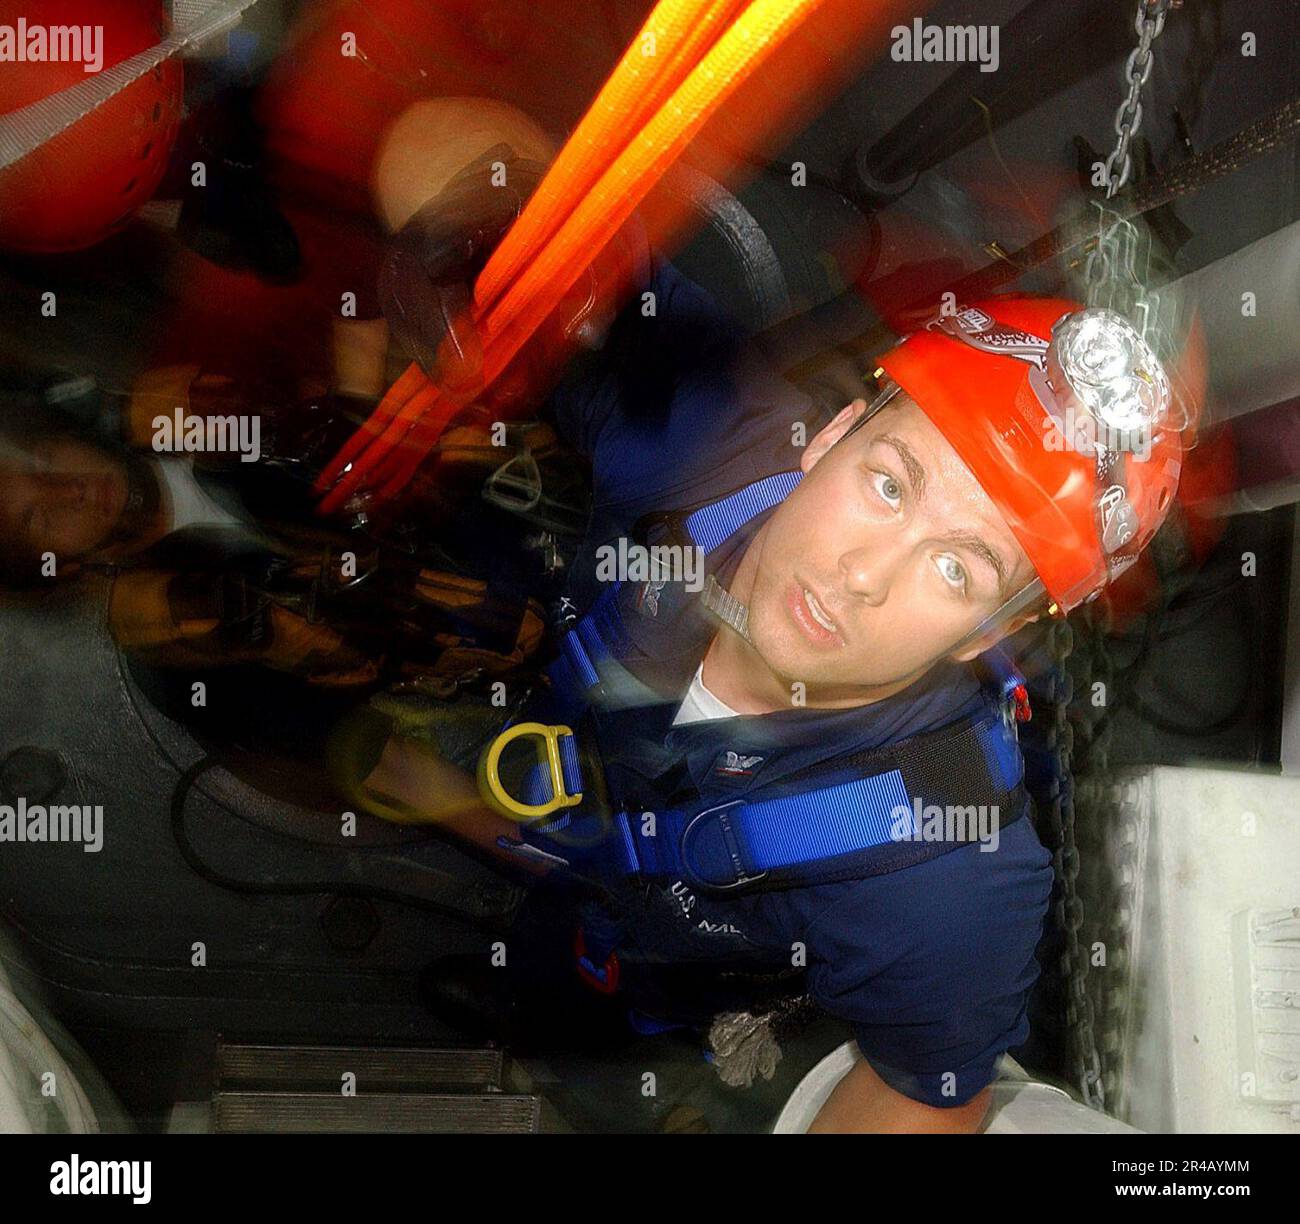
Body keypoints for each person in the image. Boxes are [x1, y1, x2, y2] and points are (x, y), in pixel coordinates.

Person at [337, 104, 1202, 1133]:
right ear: (831, 431)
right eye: (888, 484)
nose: (861, 577)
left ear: (984, 635)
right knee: (545, 979)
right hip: (585, 866)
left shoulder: (942, 881)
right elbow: (429, 136)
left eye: (958, 567)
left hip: (685, 1024)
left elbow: (921, 1093)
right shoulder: (705, 441)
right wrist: (491, 230)